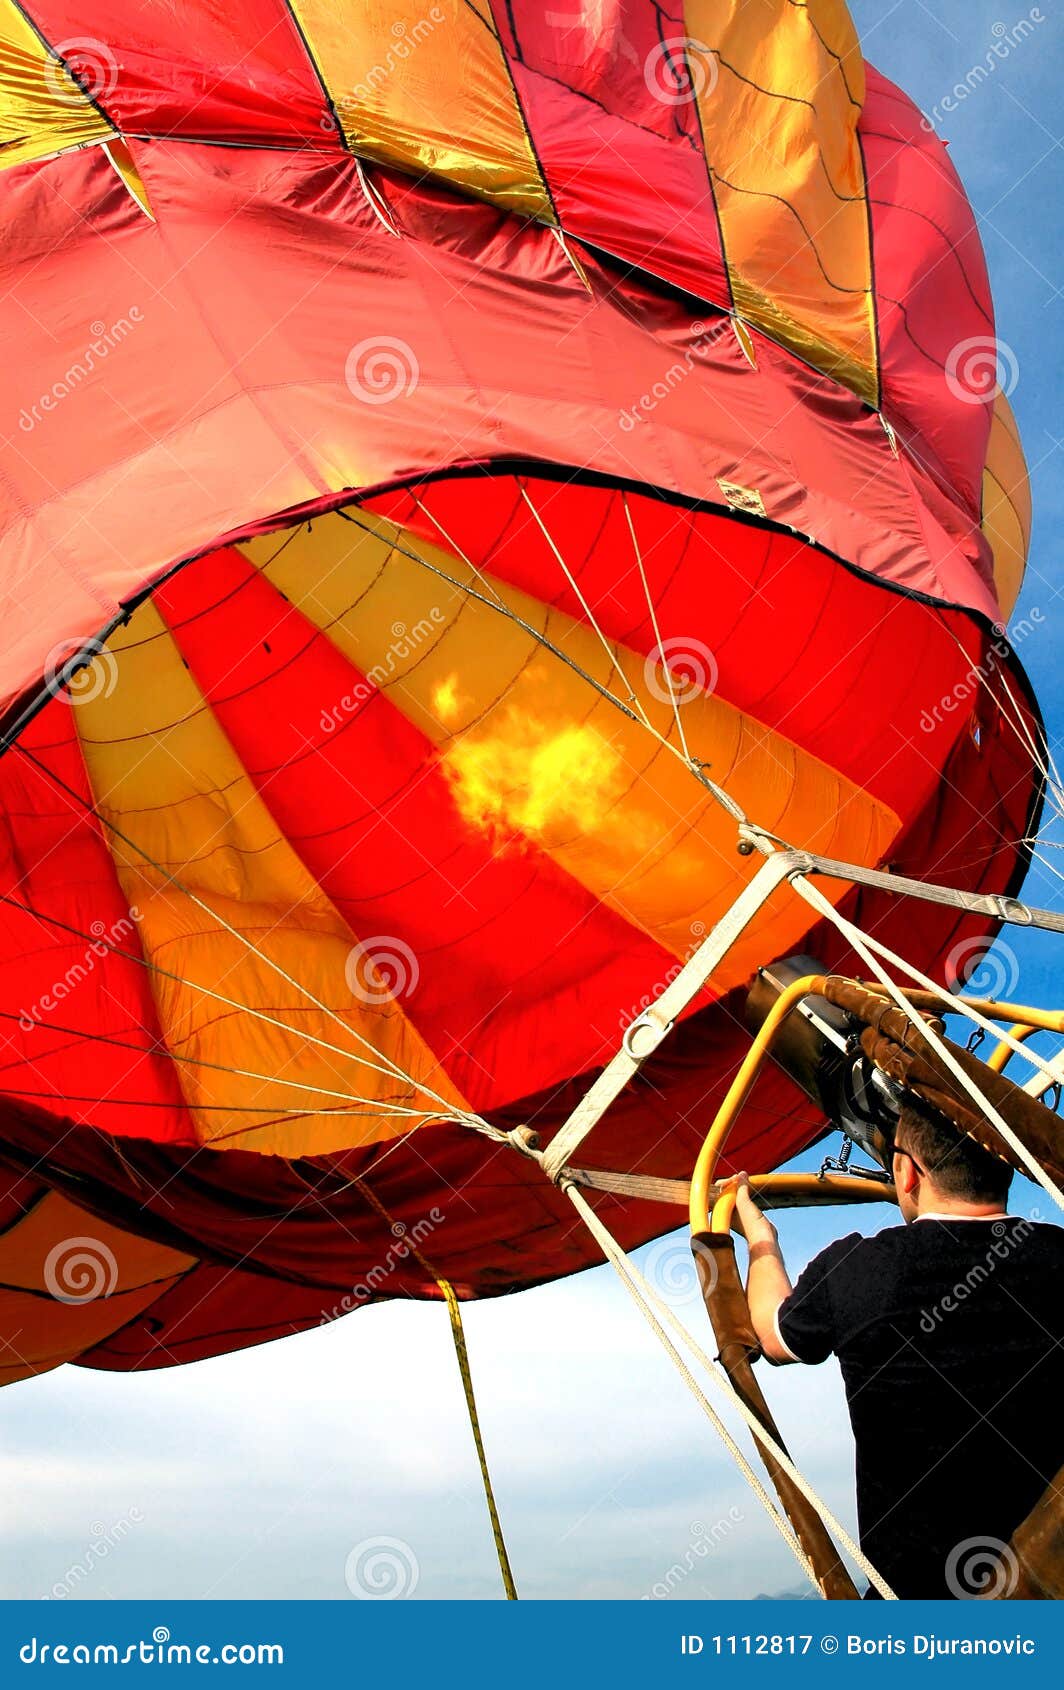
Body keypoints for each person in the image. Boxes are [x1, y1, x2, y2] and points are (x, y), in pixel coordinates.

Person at [726, 1094, 1064, 1599]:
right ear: (1006, 1170)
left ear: (906, 1173)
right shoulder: (1057, 1256)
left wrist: (760, 1239)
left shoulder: (859, 1267)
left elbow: (773, 1336)